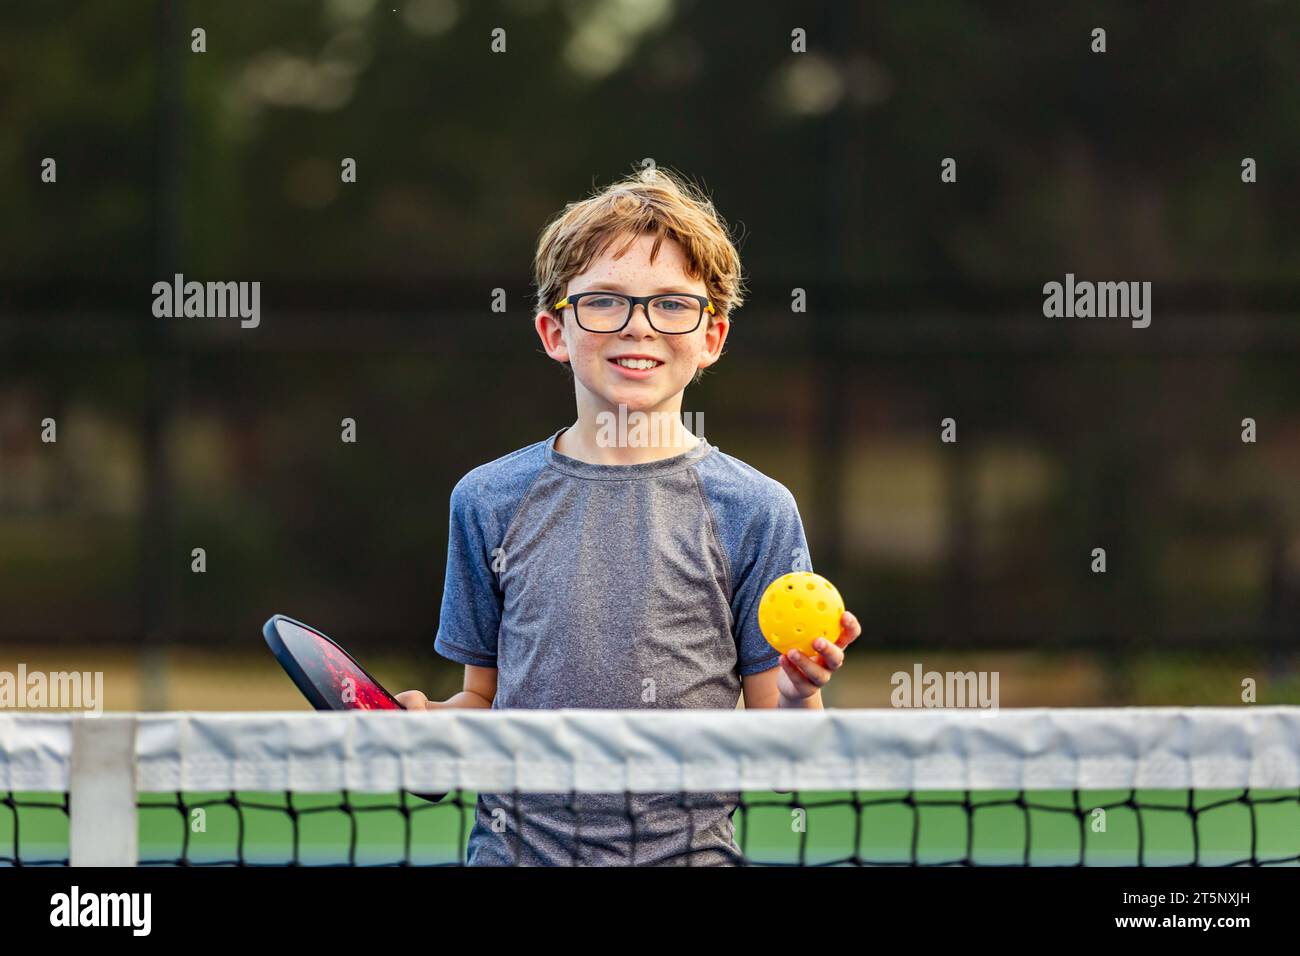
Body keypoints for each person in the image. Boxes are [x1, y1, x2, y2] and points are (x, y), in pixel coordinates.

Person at [397, 168, 861, 865]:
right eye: (605, 302)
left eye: (673, 305)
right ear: (555, 330)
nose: (637, 326)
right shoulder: (486, 500)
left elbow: (788, 755)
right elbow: (487, 702)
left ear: (712, 336)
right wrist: (431, 725)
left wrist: (797, 693)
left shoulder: (757, 511)